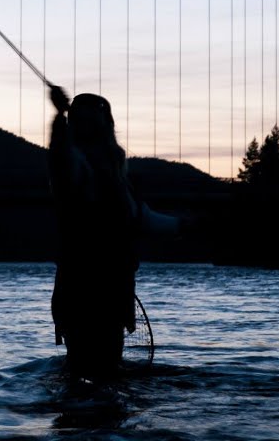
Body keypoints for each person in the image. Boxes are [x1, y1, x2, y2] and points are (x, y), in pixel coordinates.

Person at [47, 84, 183, 380]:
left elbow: (142, 219)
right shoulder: (76, 170)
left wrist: (186, 226)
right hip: (87, 295)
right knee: (104, 380)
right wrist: (58, 118)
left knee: (87, 380)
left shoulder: (119, 184)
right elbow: (60, 160)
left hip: (107, 294)